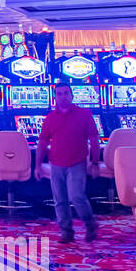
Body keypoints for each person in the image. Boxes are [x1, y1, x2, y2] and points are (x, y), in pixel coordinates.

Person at [36, 84, 101, 242]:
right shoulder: (51, 117)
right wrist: (37, 165)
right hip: (56, 162)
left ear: (71, 95)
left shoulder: (84, 114)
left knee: (77, 196)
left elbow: (94, 139)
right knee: (60, 200)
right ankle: (66, 232)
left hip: (77, 162)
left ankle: (90, 222)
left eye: (66, 93)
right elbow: (43, 141)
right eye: (59, 94)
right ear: (55, 97)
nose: (63, 97)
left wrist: (95, 162)